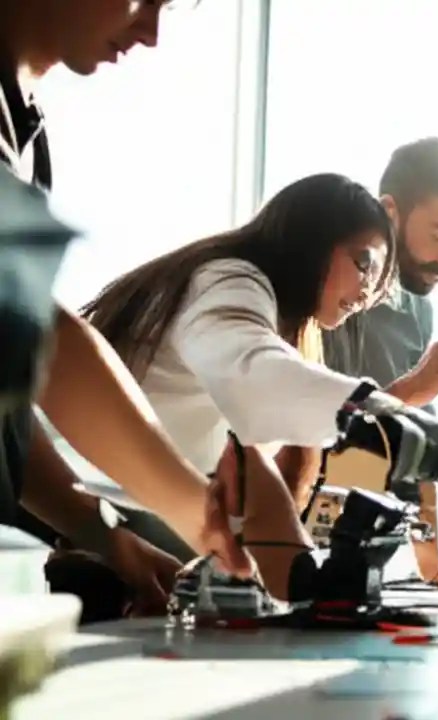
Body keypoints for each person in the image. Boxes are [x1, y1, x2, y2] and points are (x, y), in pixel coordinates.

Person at [1, 0, 253, 616]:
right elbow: (50, 343)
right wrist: (197, 512)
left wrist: (109, 535)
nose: (152, 32)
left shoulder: (24, 130)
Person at [82, 172, 399, 597]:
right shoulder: (228, 282)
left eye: (376, 286)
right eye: (364, 265)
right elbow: (254, 374)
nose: (366, 292)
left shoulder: (263, 317)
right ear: (313, 239)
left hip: (126, 510)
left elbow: (258, 462)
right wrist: (395, 418)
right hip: (90, 515)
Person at [322, 138, 438, 587]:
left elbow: (414, 444)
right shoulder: (330, 299)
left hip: (361, 546)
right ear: (389, 211)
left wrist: (431, 565)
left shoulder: (417, 309)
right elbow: (322, 437)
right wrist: (414, 388)